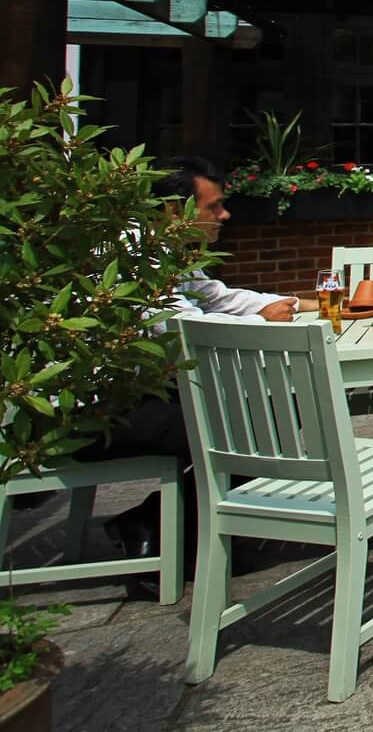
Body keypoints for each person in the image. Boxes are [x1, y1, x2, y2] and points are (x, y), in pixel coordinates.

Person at [88, 157, 294, 589]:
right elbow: (179, 331)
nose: (224, 215)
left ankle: (172, 527)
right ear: (172, 211)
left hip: (143, 394)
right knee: (260, 423)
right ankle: (161, 529)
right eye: (214, 207)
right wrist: (264, 323)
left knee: (270, 409)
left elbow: (217, 299)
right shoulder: (131, 255)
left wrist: (291, 303)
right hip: (98, 411)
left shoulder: (166, 250)